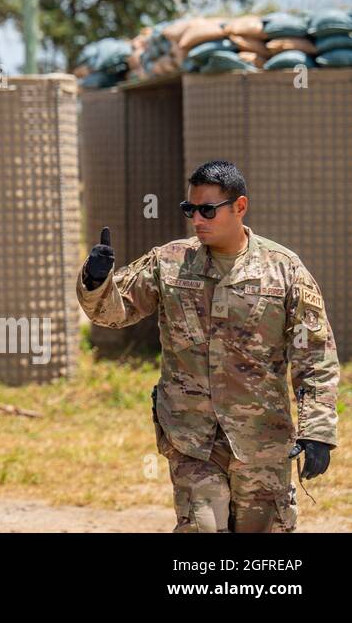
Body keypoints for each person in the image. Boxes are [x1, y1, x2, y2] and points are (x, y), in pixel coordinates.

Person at [77, 159, 339, 532]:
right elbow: (114, 312)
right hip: (191, 437)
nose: (197, 219)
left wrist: (317, 431)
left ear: (240, 207)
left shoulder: (283, 270)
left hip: (261, 441)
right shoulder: (169, 264)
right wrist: (96, 280)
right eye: (190, 209)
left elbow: (315, 355)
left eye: (207, 210)